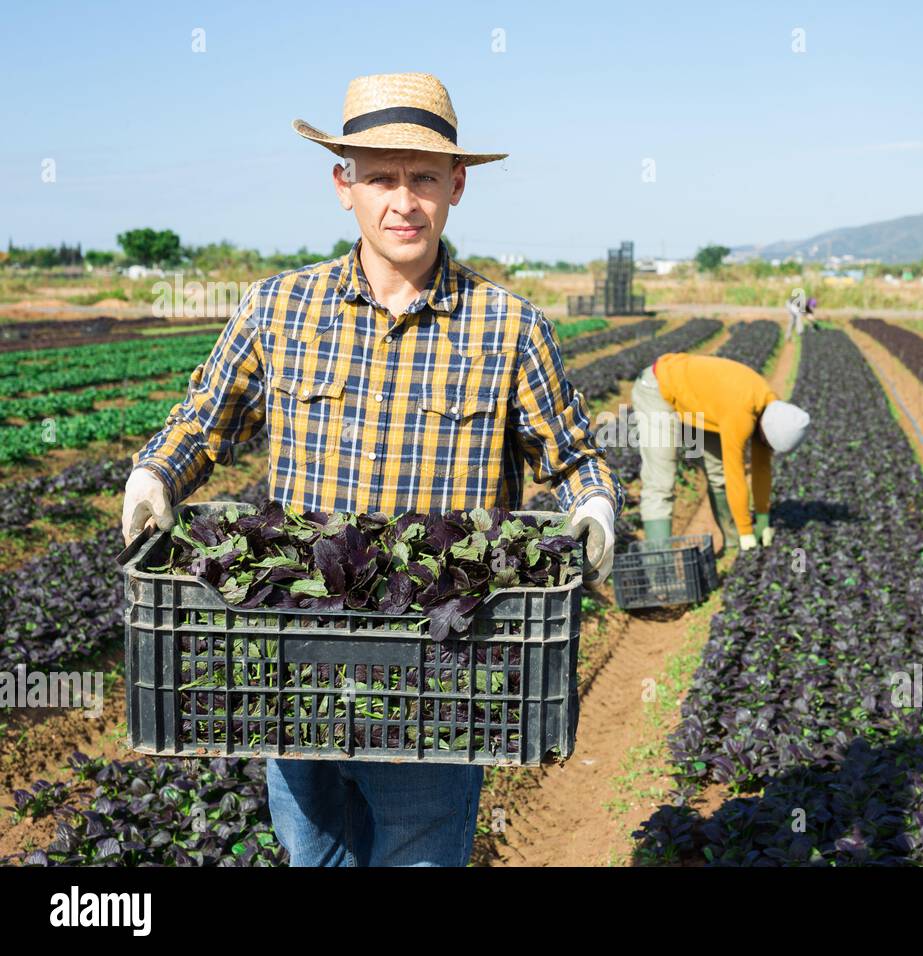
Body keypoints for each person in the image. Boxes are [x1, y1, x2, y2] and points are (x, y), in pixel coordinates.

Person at [119, 72, 624, 867]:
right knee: (311, 851)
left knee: (417, 855)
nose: (403, 201)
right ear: (342, 185)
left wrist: (594, 506)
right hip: (294, 661)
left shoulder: (510, 329)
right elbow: (203, 422)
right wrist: (156, 476)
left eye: (423, 178)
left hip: (438, 672)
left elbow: (572, 457)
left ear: (457, 186)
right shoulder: (277, 309)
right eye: (381, 177)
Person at [631, 351, 809, 552]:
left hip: (700, 401)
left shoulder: (772, 410)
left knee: (718, 473)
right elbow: (736, 473)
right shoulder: (741, 415)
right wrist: (746, 530)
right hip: (658, 387)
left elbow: (762, 467)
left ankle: (732, 543)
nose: (765, 448)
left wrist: (762, 517)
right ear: (764, 431)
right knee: (661, 482)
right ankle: (659, 567)